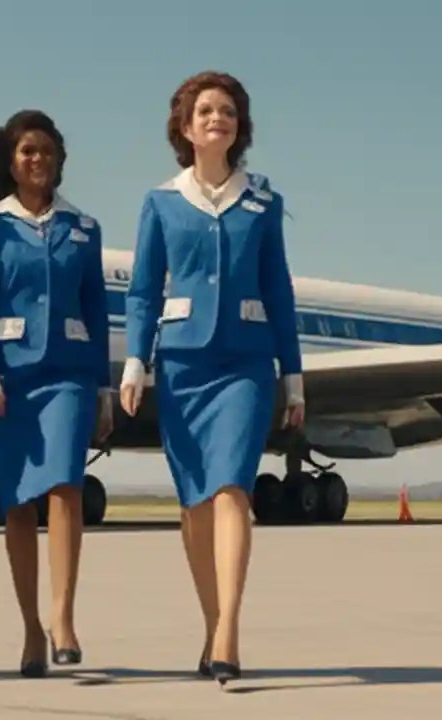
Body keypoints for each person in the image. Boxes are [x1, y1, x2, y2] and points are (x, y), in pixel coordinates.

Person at [119, 71, 305, 687]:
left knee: (232, 488)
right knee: (195, 502)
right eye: (205, 110)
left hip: (246, 366)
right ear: (185, 125)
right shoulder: (162, 202)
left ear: (238, 127)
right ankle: (210, 623)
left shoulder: (263, 203)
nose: (216, 118)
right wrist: (136, 361)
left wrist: (294, 378)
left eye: (227, 110)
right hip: (183, 366)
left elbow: (279, 291)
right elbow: (144, 290)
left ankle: (229, 633)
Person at [0, 110, 114, 678]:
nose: (38, 160)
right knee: (17, 503)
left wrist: (101, 386)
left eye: (47, 151)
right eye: (27, 151)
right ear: (10, 161)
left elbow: (97, 311)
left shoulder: (84, 227)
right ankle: (29, 626)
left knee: (66, 485)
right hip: (10, 376)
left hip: (70, 374)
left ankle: (63, 616)